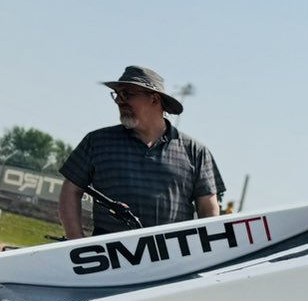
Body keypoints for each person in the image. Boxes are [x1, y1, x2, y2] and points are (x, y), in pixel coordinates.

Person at [58, 67, 222, 236]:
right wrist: (77, 243)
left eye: (127, 94)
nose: (119, 101)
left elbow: (208, 209)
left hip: (172, 257)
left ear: (154, 99)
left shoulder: (195, 152)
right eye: (117, 94)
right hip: (110, 257)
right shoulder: (97, 142)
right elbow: (71, 191)